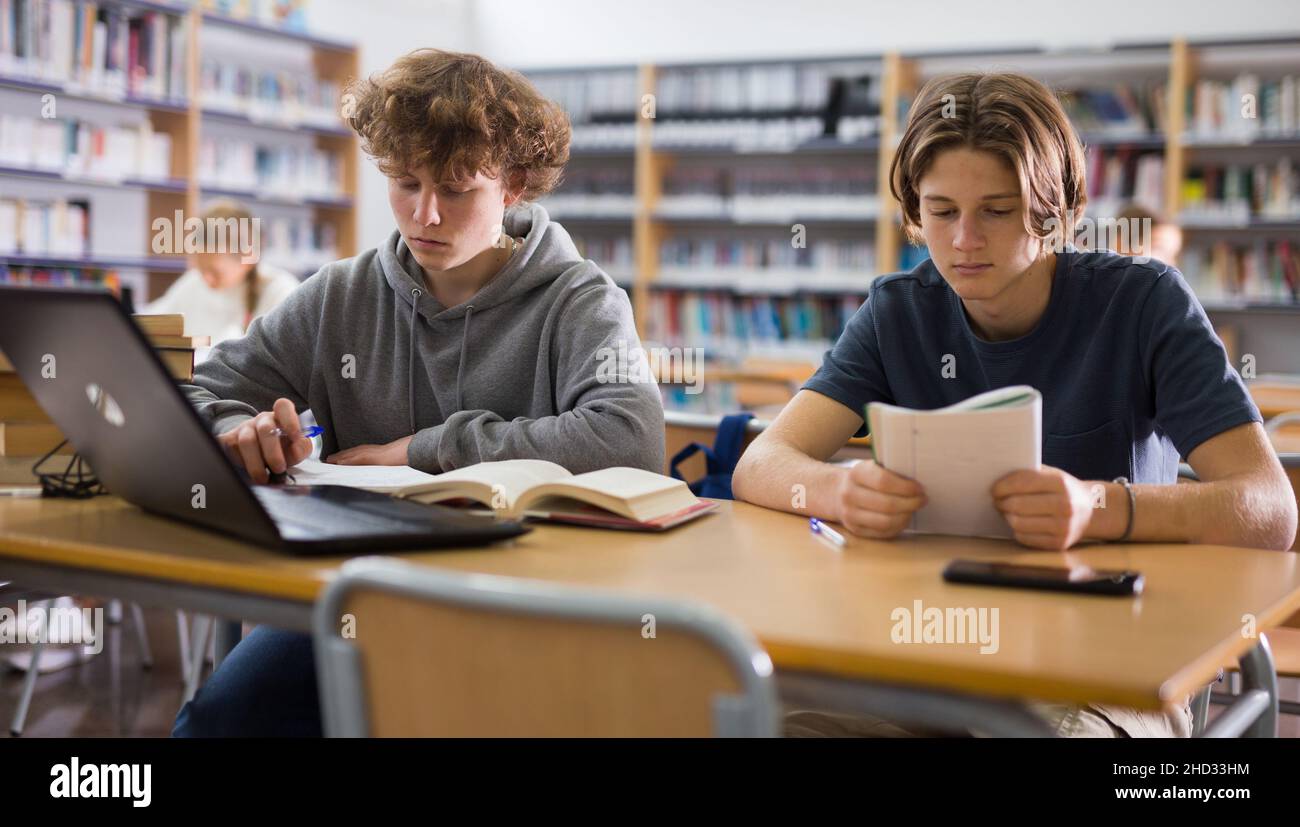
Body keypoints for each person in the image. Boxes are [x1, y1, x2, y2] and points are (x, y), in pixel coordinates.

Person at [732, 72, 1296, 737]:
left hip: (1110, 664)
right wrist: (836, 488)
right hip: (924, 649)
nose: (965, 240)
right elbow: (759, 462)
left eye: (996, 211)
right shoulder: (897, 312)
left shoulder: (1144, 305)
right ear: (915, 212)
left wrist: (1096, 506)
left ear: (1053, 212)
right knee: (759, 720)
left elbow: (1270, 508)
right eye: (942, 212)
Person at [171, 49, 665, 737]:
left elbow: (632, 440)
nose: (425, 214)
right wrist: (232, 428)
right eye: (405, 183)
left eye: (457, 189)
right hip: (360, 604)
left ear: (514, 185)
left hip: (536, 611)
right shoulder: (339, 294)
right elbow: (194, 391)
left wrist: (421, 448)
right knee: (218, 724)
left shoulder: (581, 299)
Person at [145, 200, 301, 349]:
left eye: (215, 272)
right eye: (201, 268)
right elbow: (153, 319)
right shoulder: (193, 282)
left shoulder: (280, 292)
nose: (206, 279)